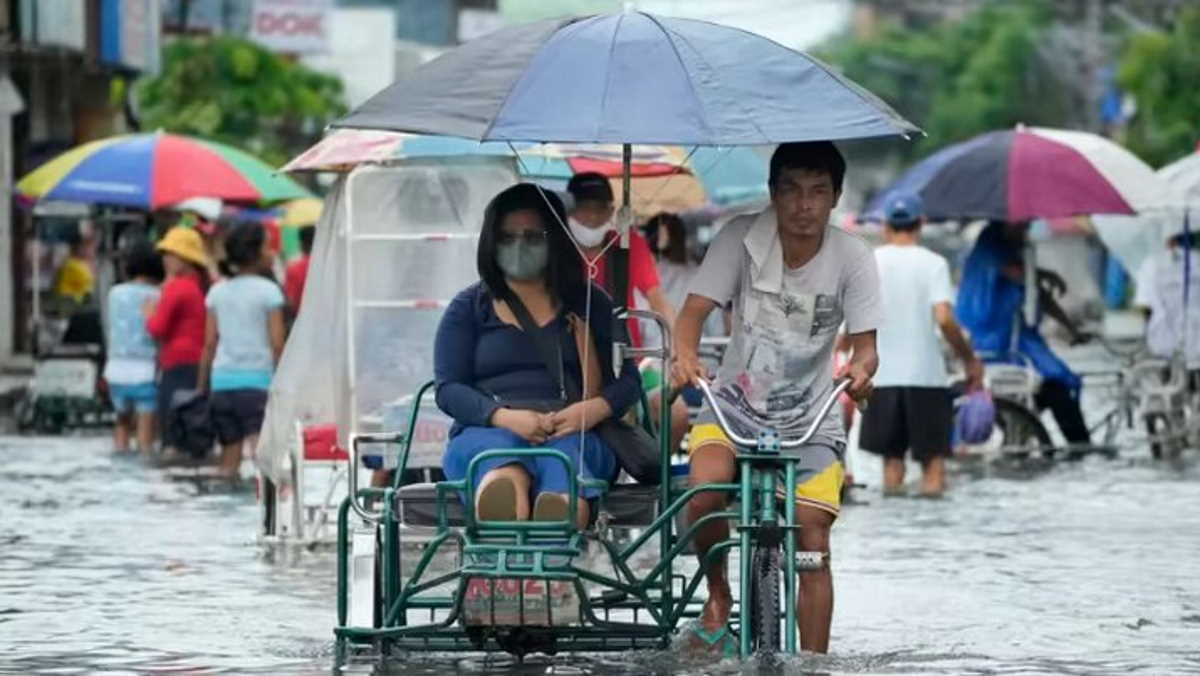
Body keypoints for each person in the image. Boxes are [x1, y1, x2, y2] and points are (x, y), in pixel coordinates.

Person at [673, 141, 883, 654]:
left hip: (811, 416)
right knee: (702, 493)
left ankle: (814, 662)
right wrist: (684, 354)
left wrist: (859, 370)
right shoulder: (740, 238)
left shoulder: (853, 256)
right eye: (790, 190)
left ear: (834, 197)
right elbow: (693, 314)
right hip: (732, 406)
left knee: (814, 539)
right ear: (773, 193)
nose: (803, 205)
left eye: (817, 191)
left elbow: (866, 348)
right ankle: (718, 595)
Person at [435, 183, 641, 530]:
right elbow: (449, 388)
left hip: (576, 433)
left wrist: (592, 410)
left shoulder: (592, 302)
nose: (519, 247)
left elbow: (628, 381)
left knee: (562, 470)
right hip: (488, 429)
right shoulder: (468, 308)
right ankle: (503, 522)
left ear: (554, 240)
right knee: (500, 464)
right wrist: (502, 417)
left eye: (532, 237)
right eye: (507, 238)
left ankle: (556, 535)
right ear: (491, 242)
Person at [859, 193, 984, 497]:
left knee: (892, 462)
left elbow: (853, 322)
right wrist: (969, 358)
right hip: (926, 376)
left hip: (881, 377)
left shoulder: (869, 262)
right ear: (922, 224)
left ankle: (897, 537)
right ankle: (929, 537)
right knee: (933, 464)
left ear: (886, 225)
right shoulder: (934, 264)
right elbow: (943, 318)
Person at [567, 173, 689, 452]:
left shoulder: (627, 243)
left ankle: (657, 486)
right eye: (584, 208)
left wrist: (679, 347)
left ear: (611, 212)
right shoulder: (557, 247)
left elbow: (657, 299)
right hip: (571, 367)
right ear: (570, 211)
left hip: (629, 363)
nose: (591, 217)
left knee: (676, 413)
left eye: (599, 209)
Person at [956, 221, 1091, 445]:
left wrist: (1070, 329)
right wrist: (1041, 274)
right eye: (1023, 226)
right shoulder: (991, 250)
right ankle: (1079, 445)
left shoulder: (1015, 255)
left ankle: (1028, 429)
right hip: (998, 345)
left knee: (1059, 385)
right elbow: (1022, 277)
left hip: (1018, 342)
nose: (1025, 232)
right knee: (1060, 385)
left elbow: (1037, 294)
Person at [199, 223, 286, 481]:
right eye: (267, 246)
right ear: (256, 252)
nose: (271, 252)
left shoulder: (217, 292)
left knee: (228, 461)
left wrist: (202, 386)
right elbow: (277, 344)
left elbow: (209, 344)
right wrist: (284, 384)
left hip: (222, 385)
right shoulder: (269, 292)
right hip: (257, 384)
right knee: (266, 461)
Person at [146, 226, 210, 458]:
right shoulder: (199, 286)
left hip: (176, 366)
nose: (165, 259)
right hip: (198, 364)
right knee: (193, 427)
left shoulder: (176, 288)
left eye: (170, 254)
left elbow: (157, 328)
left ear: (184, 258)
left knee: (171, 434)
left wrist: (149, 314)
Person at [104, 242, 165, 453]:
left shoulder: (114, 293)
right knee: (145, 431)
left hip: (116, 368)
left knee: (121, 423)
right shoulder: (158, 295)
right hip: (145, 369)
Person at [1143, 228, 1199, 376]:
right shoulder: (1152, 264)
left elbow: (1146, 302)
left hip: (1173, 335)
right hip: (1173, 334)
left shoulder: (1151, 264)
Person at [53, 230, 95, 305]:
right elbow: (88, 292)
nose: (91, 251)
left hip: (73, 304)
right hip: (72, 306)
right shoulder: (73, 265)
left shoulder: (73, 263)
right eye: (88, 247)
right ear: (79, 248)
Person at [284, 225, 315, 316]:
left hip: (302, 320)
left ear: (301, 243)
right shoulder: (328, 265)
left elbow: (290, 302)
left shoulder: (294, 269)